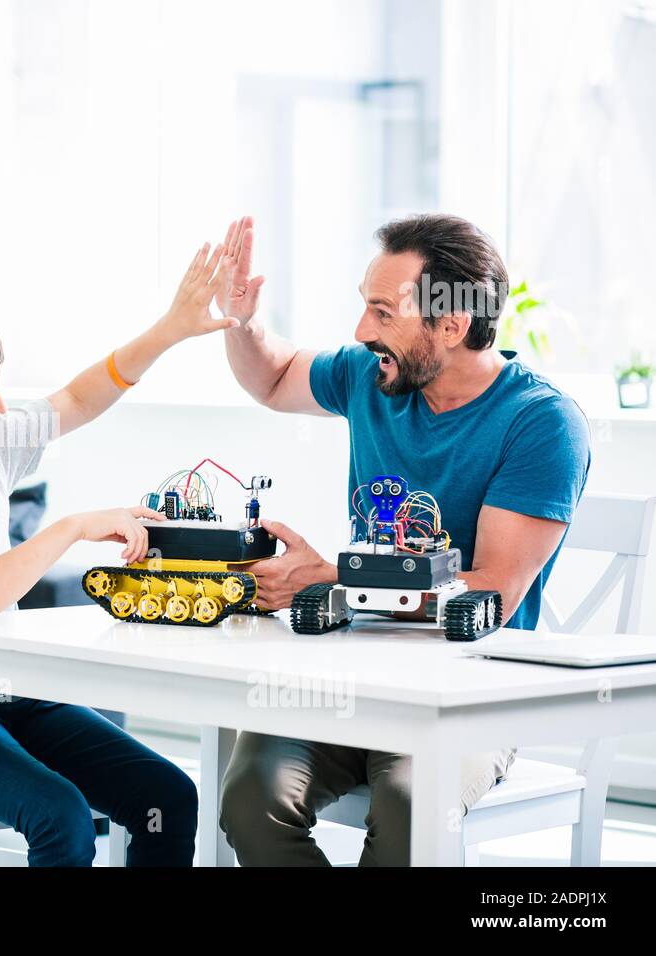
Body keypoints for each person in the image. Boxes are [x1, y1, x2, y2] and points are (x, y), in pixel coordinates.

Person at [213, 213, 590, 866]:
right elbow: (272, 380)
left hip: (471, 696)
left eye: (382, 313)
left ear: (451, 324)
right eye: (366, 307)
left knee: (412, 811)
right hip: (352, 675)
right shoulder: (373, 376)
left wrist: (334, 576)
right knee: (251, 800)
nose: (362, 332)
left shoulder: (540, 424)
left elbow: (491, 590)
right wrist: (243, 322)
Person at [0, 244, 237, 865]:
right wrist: (72, 527)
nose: (0, 410)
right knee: (60, 813)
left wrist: (170, 330)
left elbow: (78, 398)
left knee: (168, 795)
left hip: (17, 692)